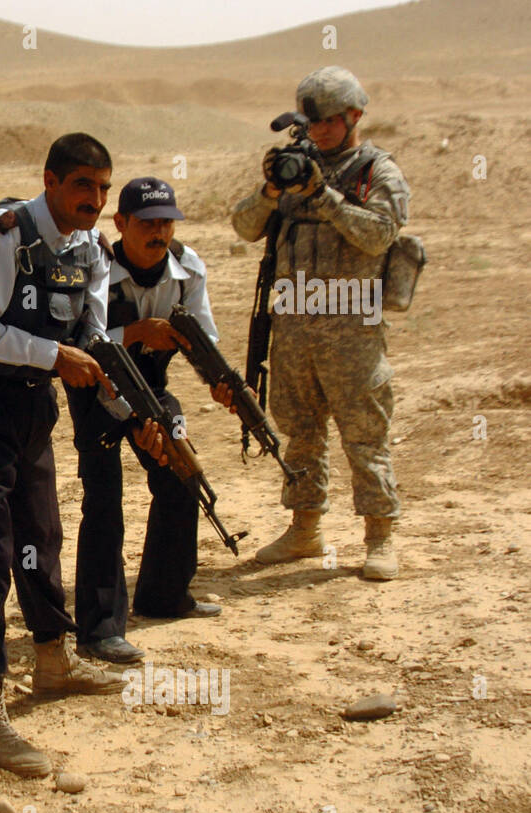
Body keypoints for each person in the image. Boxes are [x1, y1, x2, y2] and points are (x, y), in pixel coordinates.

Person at [0, 133, 161, 778]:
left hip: (35, 407)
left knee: (42, 533)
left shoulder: (88, 248)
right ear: (51, 181)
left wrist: (136, 412)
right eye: (81, 186)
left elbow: (91, 334)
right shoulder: (4, 234)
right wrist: (52, 356)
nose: (94, 199)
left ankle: (53, 662)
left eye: (102, 186)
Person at [231, 66, 409, 580]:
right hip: (294, 326)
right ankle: (304, 529)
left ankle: (380, 535)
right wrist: (270, 192)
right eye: (312, 122)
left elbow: (378, 235)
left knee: (364, 433)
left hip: (352, 326)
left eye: (331, 121)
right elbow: (244, 227)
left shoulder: (377, 171)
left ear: (355, 115)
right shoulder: (293, 169)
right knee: (301, 433)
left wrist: (325, 199)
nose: (321, 130)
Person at [67, 177, 233, 665]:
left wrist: (218, 381)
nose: (159, 232)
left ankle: (165, 594)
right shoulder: (96, 269)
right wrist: (137, 331)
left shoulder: (186, 267)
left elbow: (201, 336)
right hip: (96, 390)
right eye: (147, 223)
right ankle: (99, 630)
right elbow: (83, 337)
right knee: (104, 498)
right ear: (121, 224)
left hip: (153, 390)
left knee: (181, 469)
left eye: (166, 222)